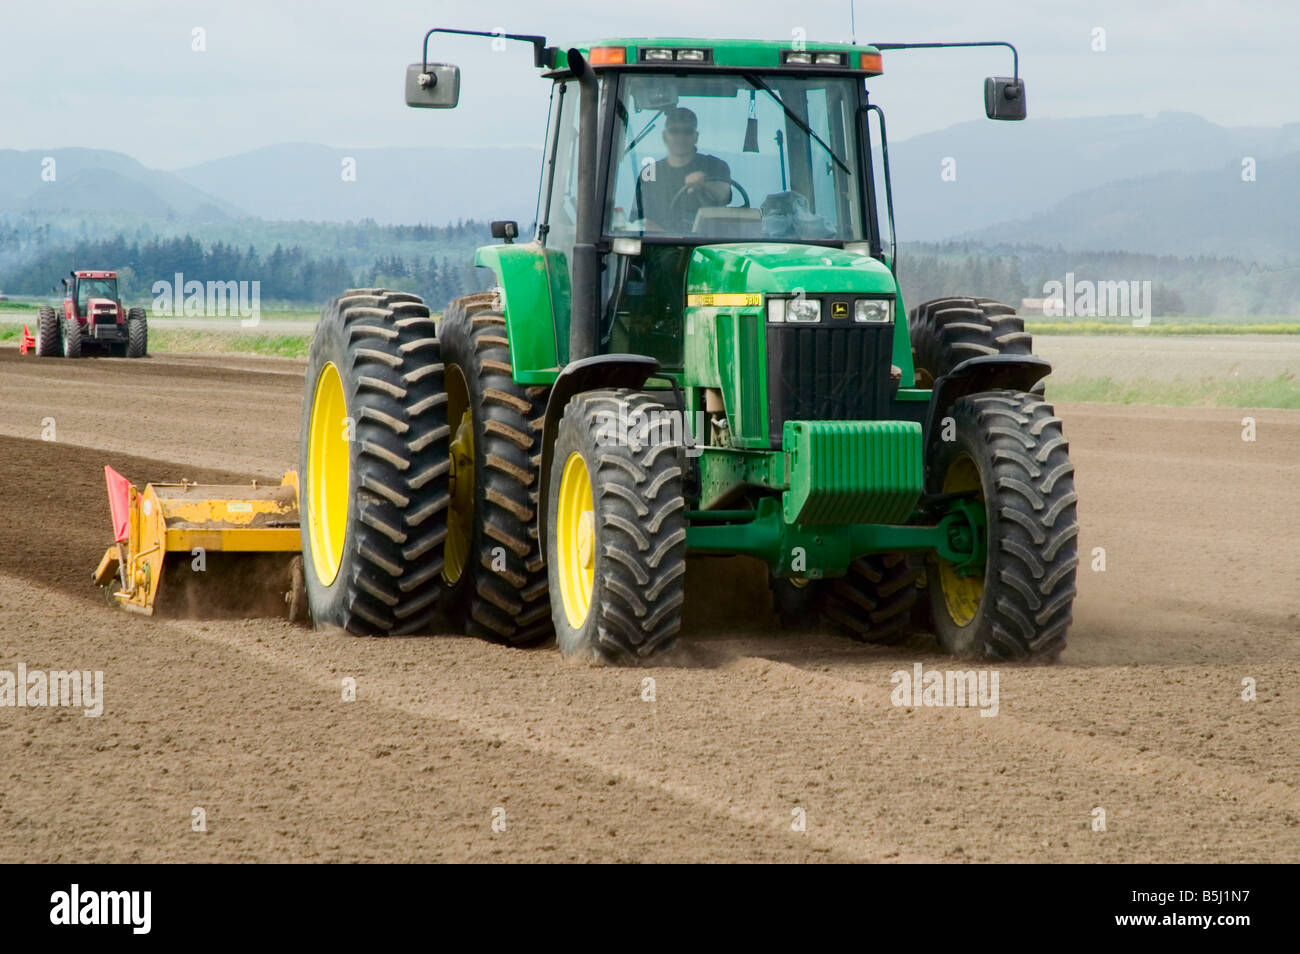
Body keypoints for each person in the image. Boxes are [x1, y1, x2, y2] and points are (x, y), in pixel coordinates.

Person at [636, 107, 732, 231]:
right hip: (660, 246)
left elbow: (724, 194)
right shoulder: (650, 173)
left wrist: (706, 183)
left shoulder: (715, 166)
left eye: (687, 131)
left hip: (706, 246)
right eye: (674, 131)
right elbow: (639, 220)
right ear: (665, 136)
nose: (681, 137)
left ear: (696, 136)